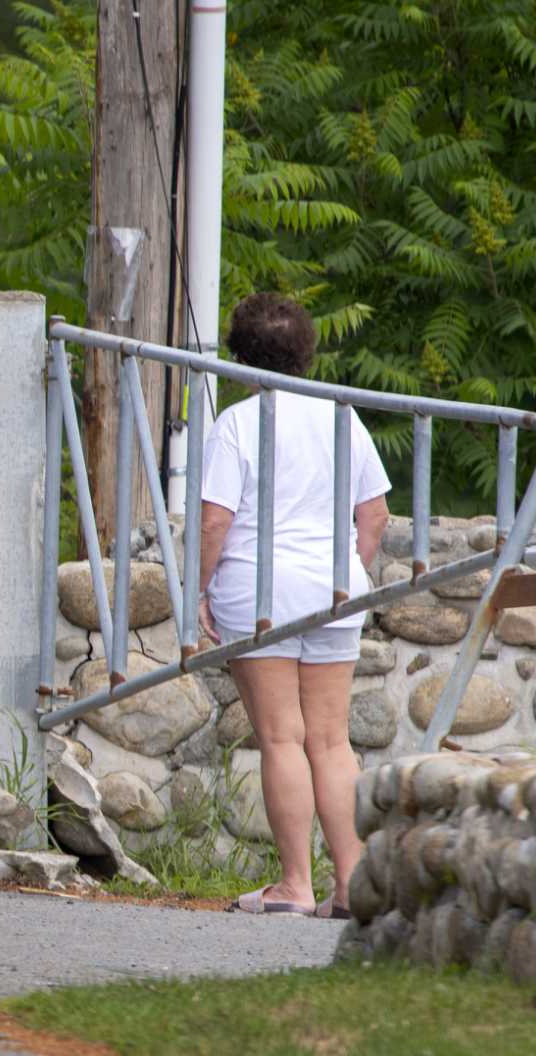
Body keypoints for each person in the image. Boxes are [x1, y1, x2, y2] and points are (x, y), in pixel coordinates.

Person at [197, 293, 391, 918]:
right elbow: (375, 514)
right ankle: (350, 885)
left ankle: (294, 885)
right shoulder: (342, 415)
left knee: (282, 737)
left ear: (240, 354)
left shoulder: (236, 423)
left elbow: (213, 523)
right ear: (307, 351)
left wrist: (195, 592)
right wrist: (351, 569)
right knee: (332, 741)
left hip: (259, 591)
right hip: (334, 588)